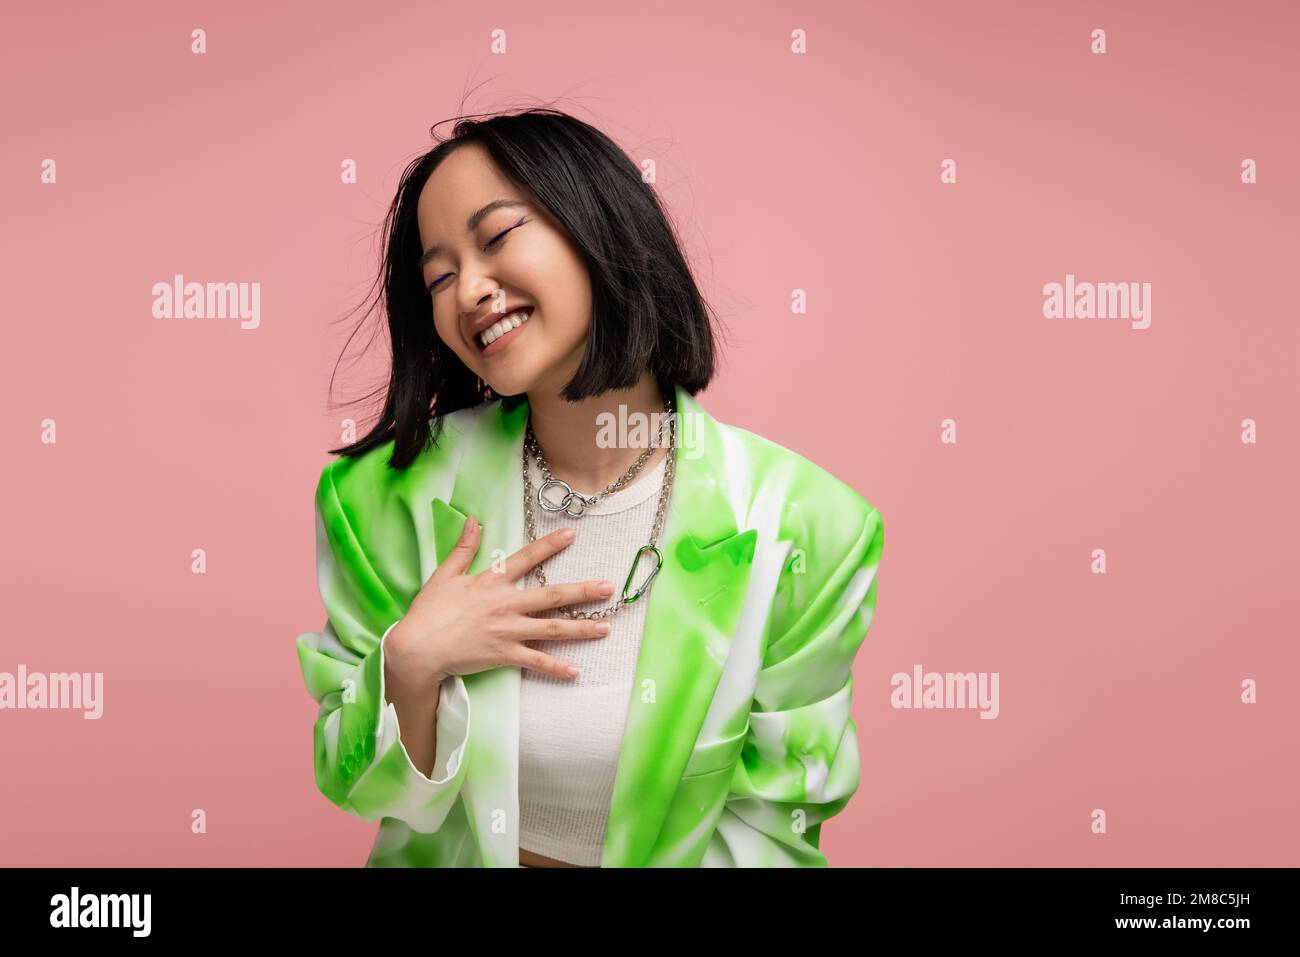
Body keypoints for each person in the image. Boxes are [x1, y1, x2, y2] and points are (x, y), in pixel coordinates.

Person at [296, 108, 885, 867]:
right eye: (438, 276)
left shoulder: (809, 527)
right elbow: (363, 788)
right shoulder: (379, 500)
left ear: (598, 225)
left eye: (498, 235)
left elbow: (778, 823)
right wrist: (410, 665)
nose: (468, 289)